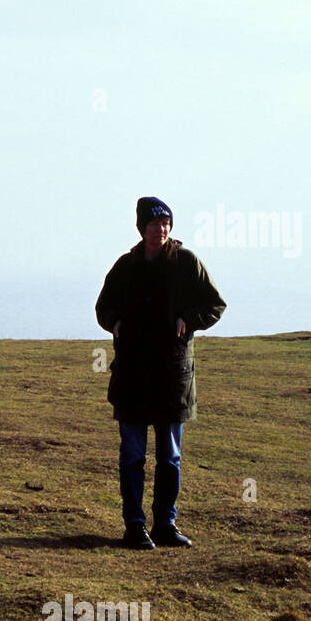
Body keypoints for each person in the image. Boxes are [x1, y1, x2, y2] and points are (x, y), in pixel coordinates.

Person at [95, 197, 226, 550]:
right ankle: (134, 527)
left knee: (169, 456)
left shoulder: (186, 263)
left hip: (172, 377)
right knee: (133, 456)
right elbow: (103, 307)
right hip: (133, 377)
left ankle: (166, 524)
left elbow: (215, 305)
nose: (161, 229)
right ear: (142, 228)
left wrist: (190, 319)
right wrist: (116, 322)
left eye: (166, 223)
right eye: (155, 224)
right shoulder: (125, 266)